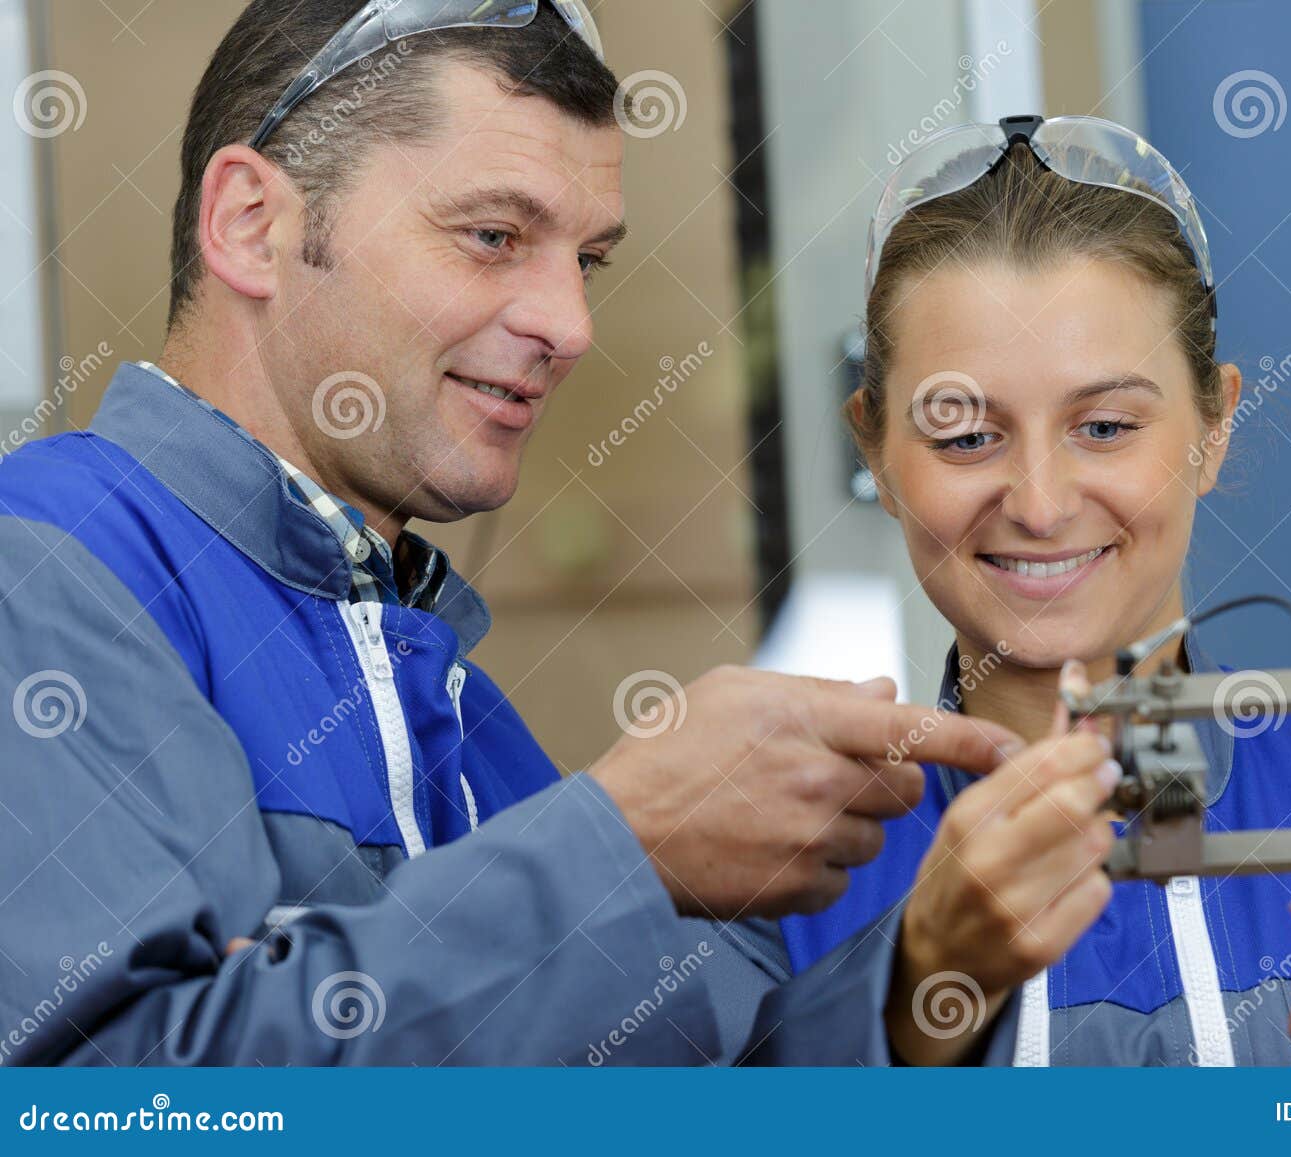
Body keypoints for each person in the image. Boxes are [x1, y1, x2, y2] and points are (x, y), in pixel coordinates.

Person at [0, 0, 1076, 1067]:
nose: (570, 325)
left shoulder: (470, 725)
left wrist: (925, 974)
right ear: (250, 224)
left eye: (587, 260)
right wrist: (621, 845)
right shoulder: (45, 568)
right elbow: (106, 1102)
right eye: (493, 236)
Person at [769, 115, 1291, 1066]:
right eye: (964, 435)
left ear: (1215, 427)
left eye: (1106, 426)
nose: (1039, 505)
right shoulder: (783, 873)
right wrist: (911, 999)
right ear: (875, 447)